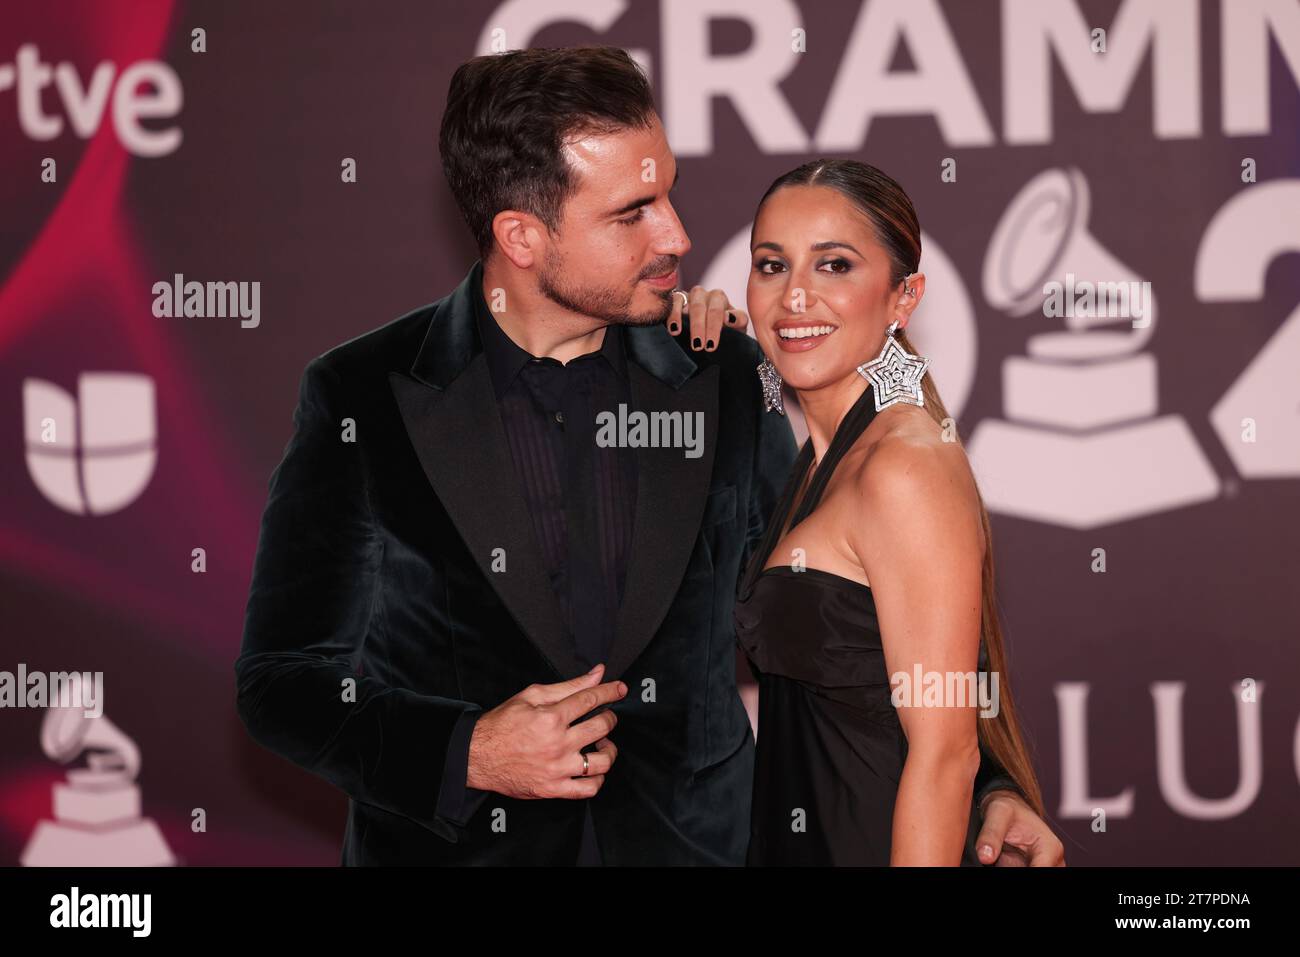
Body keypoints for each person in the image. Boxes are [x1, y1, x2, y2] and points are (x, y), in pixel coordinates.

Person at [235, 45, 1062, 865]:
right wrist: (469, 751)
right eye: (633, 212)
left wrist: (990, 783)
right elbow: (282, 681)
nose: (677, 234)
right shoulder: (364, 396)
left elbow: (845, 612)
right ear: (522, 236)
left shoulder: (723, 374)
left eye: (668, 190)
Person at [736, 158, 1052, 865]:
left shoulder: (904, 464)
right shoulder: (816, 462)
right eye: (771, 264)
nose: (795, 297)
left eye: (835, 265)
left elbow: (946, 756)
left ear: (903, 297)